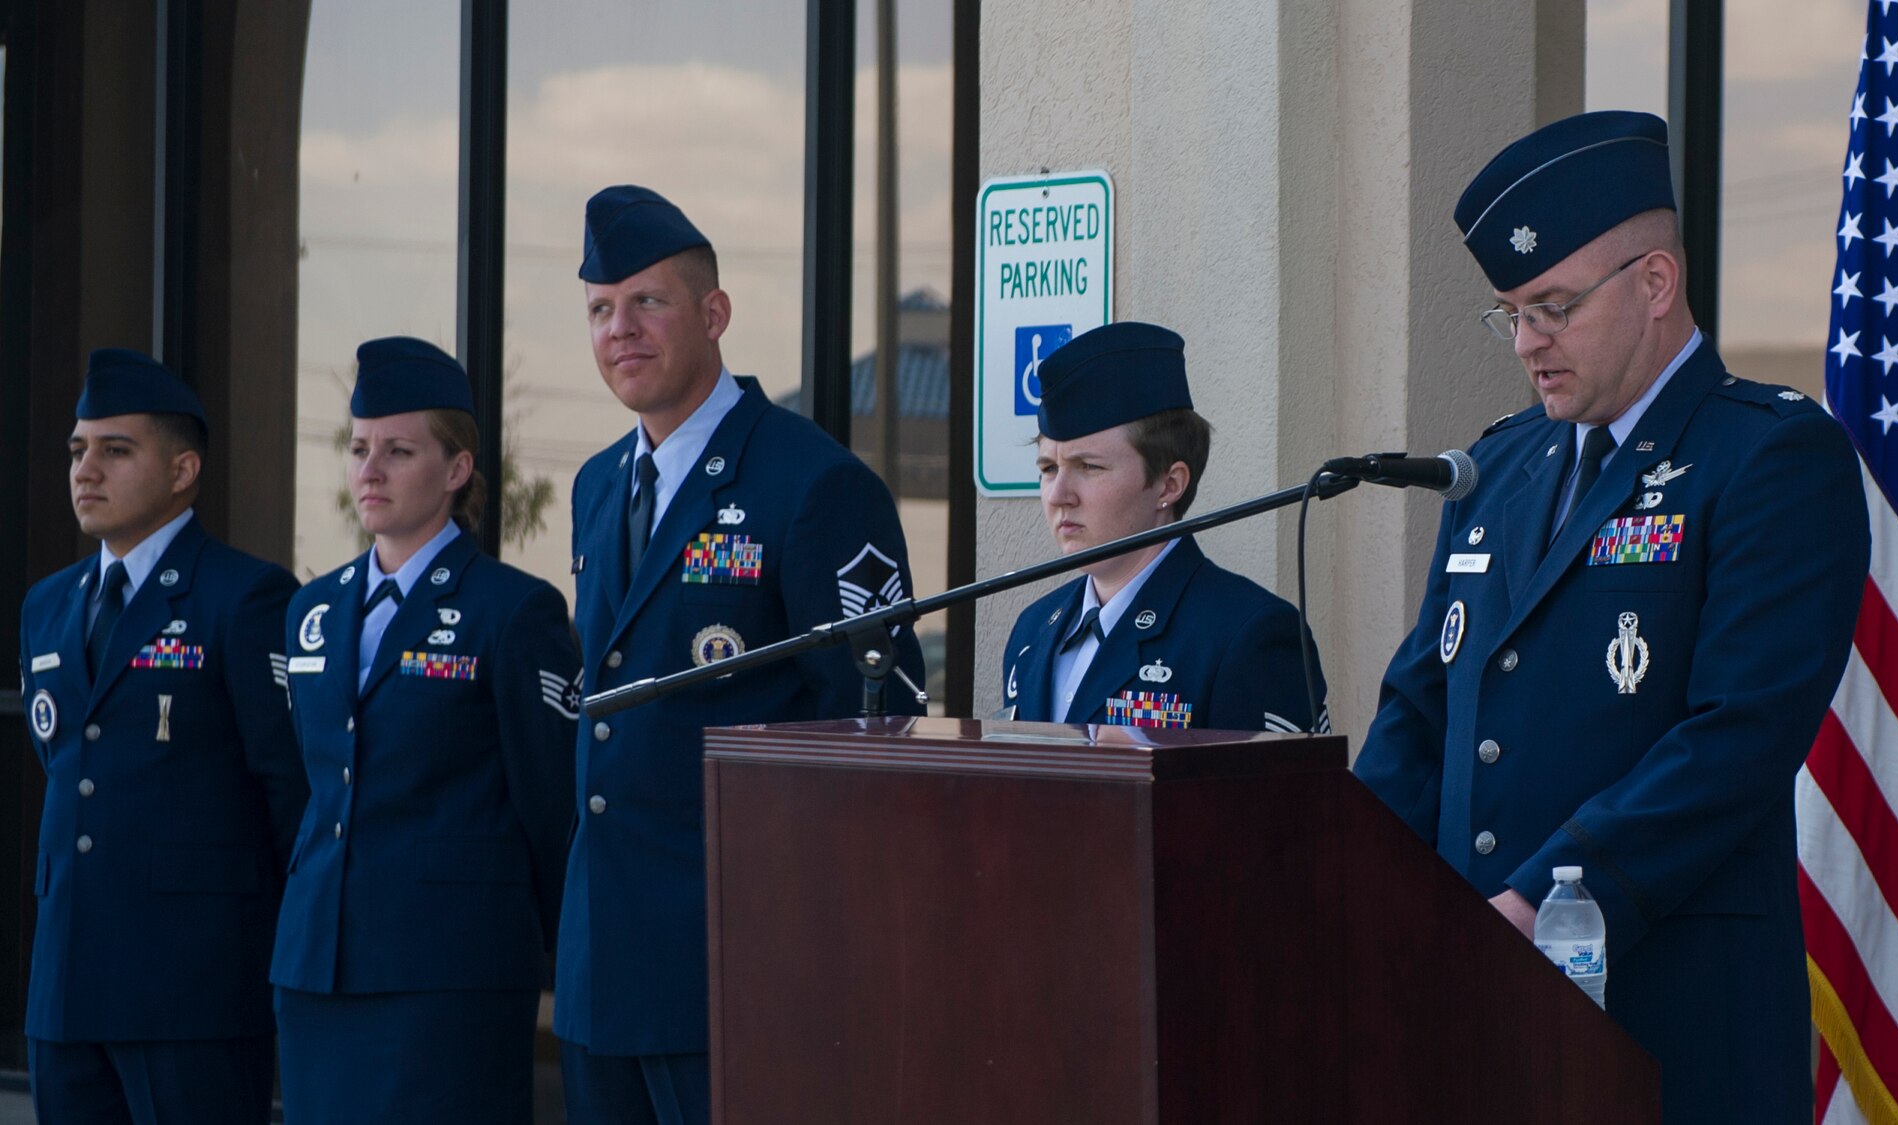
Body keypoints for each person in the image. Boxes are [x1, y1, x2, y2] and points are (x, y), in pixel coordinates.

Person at [1351, 110, 1869, 1123]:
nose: (1527, 345)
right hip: (1477, 1007)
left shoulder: (1767, 457)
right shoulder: (1497, 464)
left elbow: (1737, 738)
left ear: (1655, 283)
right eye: (1510, 315)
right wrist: (1354, 889)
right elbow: (1421, 711)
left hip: (1666, 1015)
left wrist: (1543, 900)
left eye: (1552, 307)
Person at [558, 185, 924, 1124]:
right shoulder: (598, 484)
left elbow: (876, 727)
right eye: (601, 309)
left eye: (648, 301)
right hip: (605, 960)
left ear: (714, 313)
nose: (620, 329)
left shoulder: (811, 481)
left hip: (737, 952)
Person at [269, 337, 579, 1124]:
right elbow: (310, 783)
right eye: (359, 448)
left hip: (449, 971)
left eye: (399, 451)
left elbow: (549, 805)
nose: (370, 470)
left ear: (457, 469)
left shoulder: (513, 610)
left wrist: (551, 952)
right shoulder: (311, 610)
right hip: (317, 966)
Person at [17, 348, 308, 1124]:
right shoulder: (47, 605)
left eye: (116, 450)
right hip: (66, 987)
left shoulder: (243, 596)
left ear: (183, 470)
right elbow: (68, 760)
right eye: (77, 450)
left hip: (192, 990)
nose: (86, 470)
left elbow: (287, 788)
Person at [998, 322, 1328, 734]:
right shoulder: (1034, 631)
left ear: (1169, 485)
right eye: (1049, 469)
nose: (1058, 494)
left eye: (1089, 467)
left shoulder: (1246, 633)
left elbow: (1283, 778)